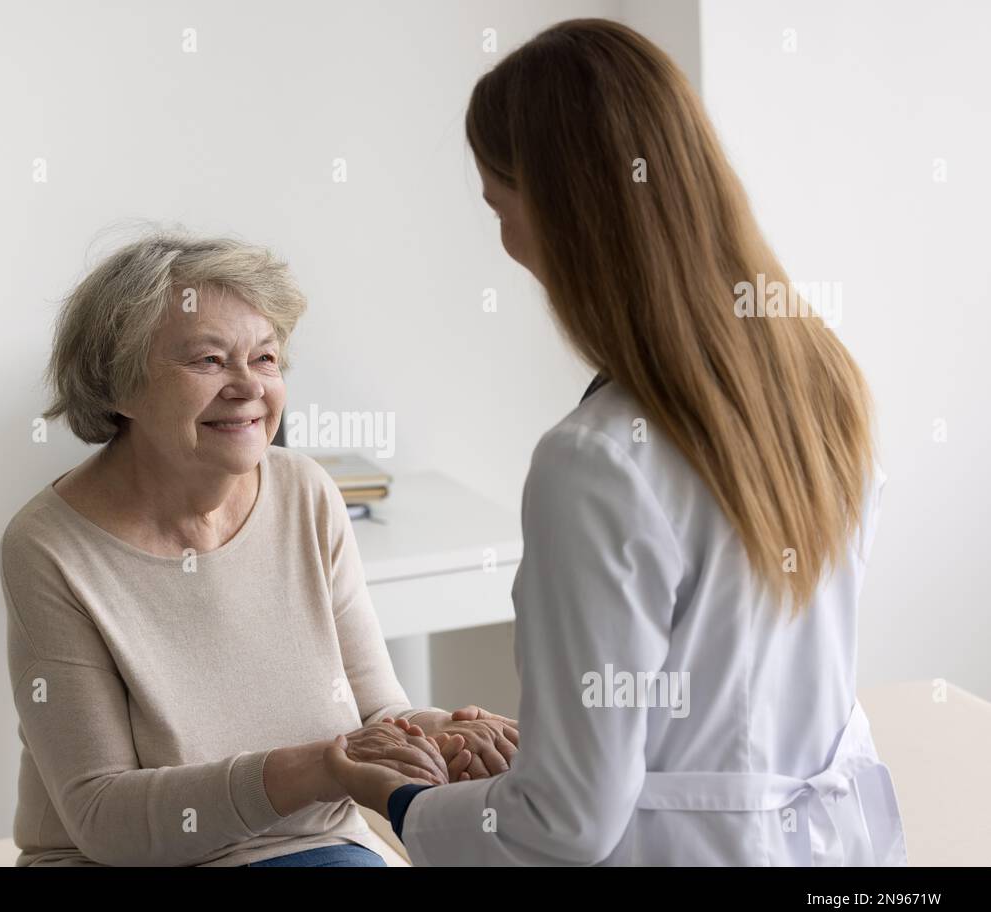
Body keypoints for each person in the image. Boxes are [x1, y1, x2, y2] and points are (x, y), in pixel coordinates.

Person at [324, 18, 907, 867]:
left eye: (499, 204)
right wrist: (571, 741)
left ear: (564, 214)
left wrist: (403, 799)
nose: (504, 243)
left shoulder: (593, 463)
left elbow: (565, 826)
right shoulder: (820, 382)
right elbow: (729, 691)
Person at [0, 230, 518, 866]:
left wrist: (437, 736)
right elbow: (104, 817)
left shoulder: (306, 492)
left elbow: (378, 713)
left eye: (265, 359)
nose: (248, 387)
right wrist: (320, 769)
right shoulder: (49, 546)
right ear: (117, 388)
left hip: (312, 848)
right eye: (209, 361)